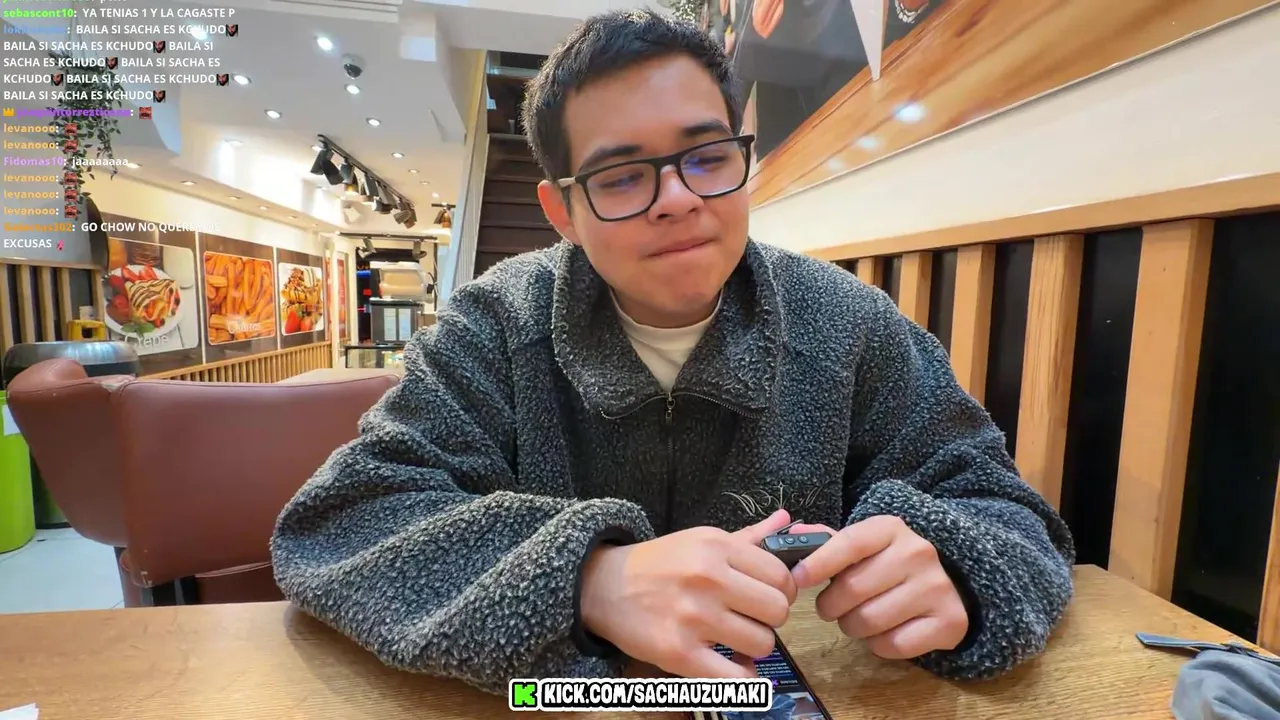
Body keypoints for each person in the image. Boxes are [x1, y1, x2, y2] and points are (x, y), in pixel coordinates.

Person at [269, 8, 1075, 696]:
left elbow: (1009, 515)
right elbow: (341, 524)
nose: (680, 199)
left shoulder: (849, 324)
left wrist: (957, 570)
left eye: (707, 157)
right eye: (622, 177)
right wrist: (588, 578)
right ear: (561, 211)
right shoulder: (492, 327)